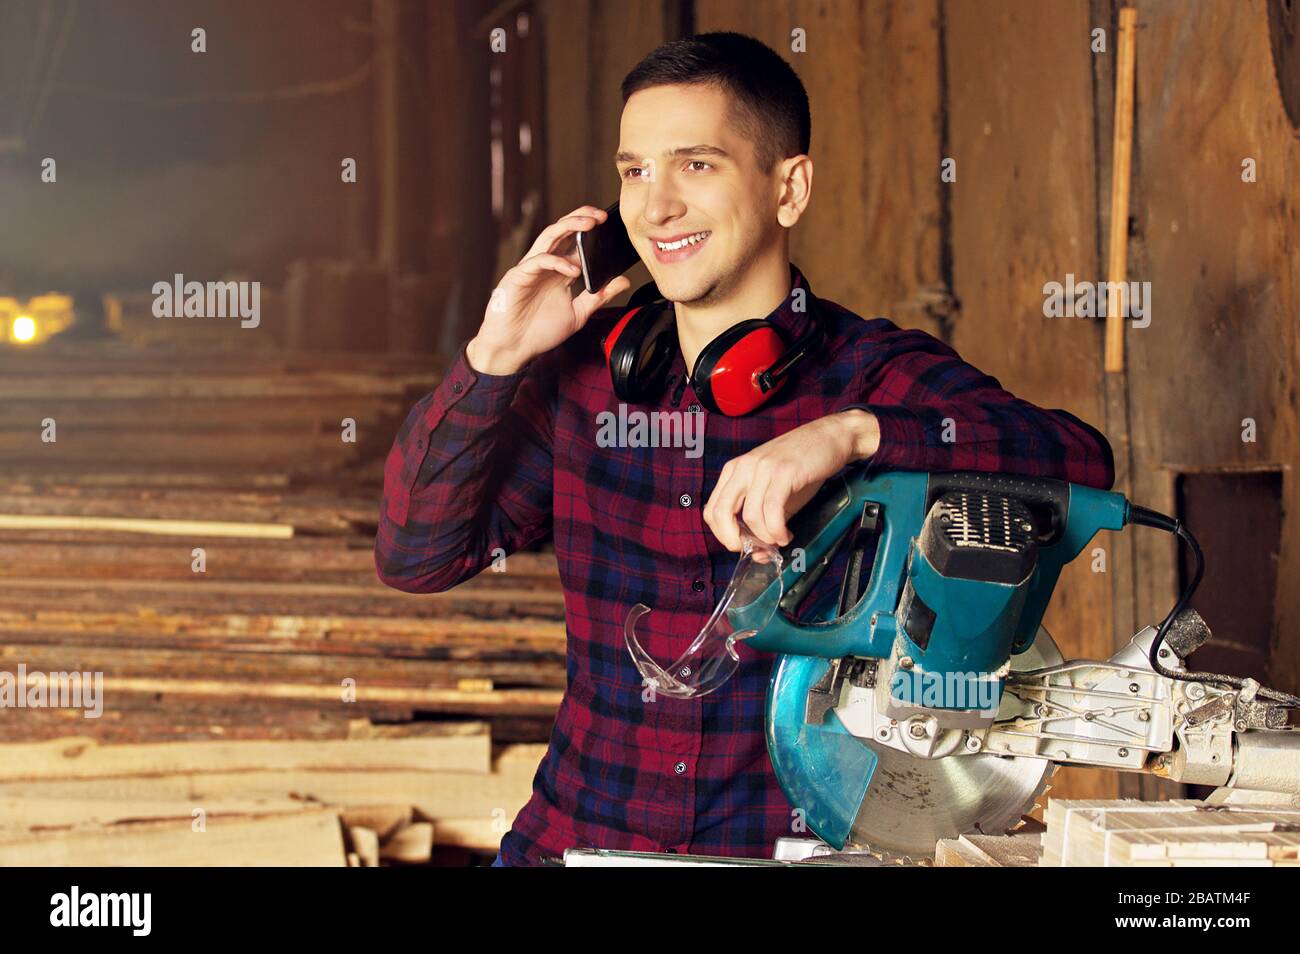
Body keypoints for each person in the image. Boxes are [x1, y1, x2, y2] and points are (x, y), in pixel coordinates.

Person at [375, 32, 1115, 866]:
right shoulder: (581, 383)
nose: (654, 208)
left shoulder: (872, 375)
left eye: (696, 165)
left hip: (787, 850)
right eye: (634, 170)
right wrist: (496, 356)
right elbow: (416, 555)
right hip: (574, 841)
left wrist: (854, 435)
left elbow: (1080, 460)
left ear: (788, 188)